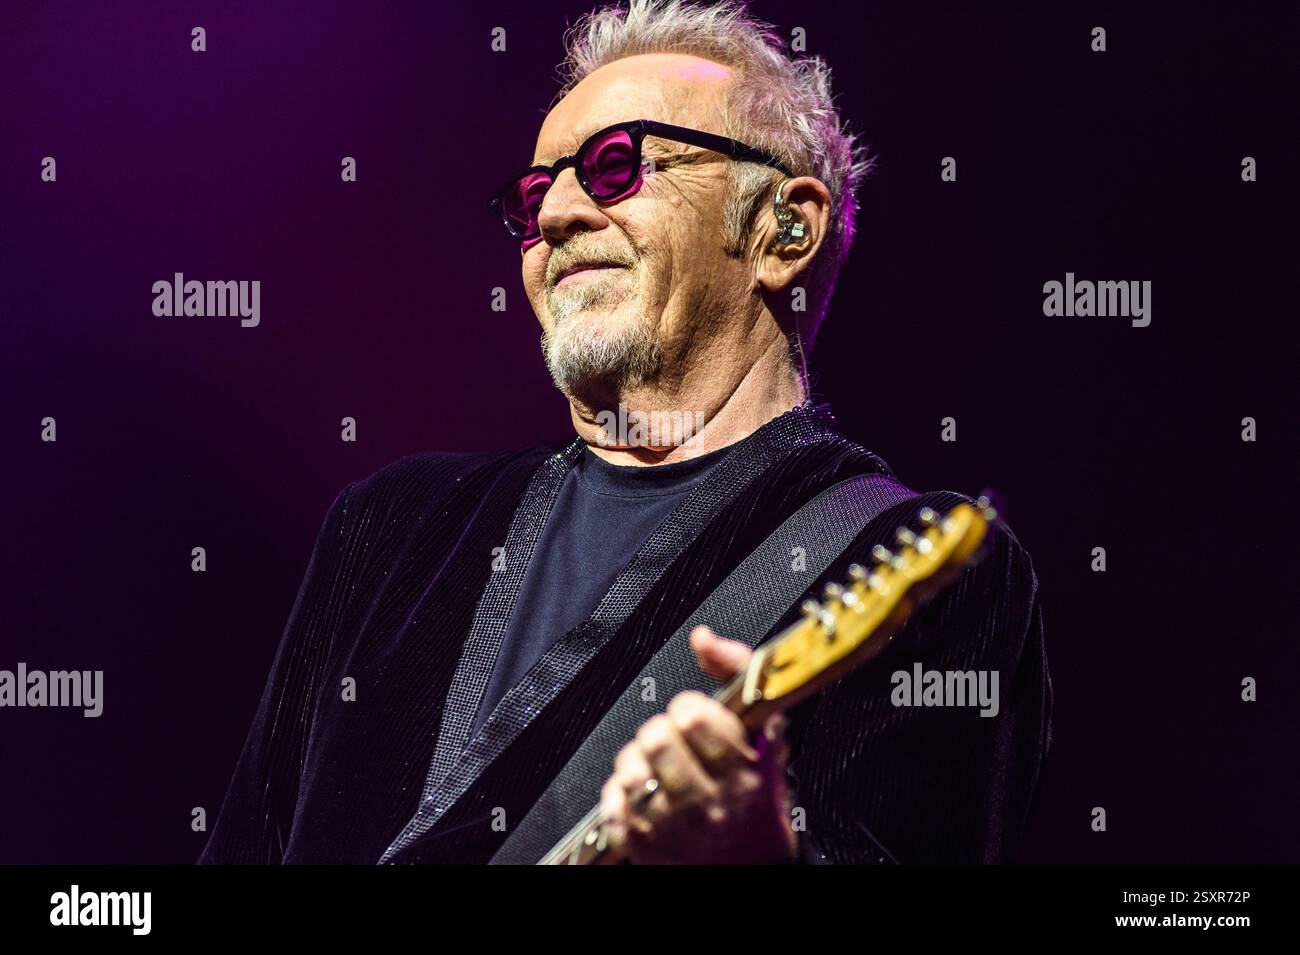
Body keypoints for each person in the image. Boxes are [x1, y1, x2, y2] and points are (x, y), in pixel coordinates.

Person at [199, 0, 1051, 865]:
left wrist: (751, 853)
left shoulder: (917, 560)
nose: (557, 216)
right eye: (533, 197)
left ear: (784, 228)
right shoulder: (386, 526)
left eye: (614, 167)